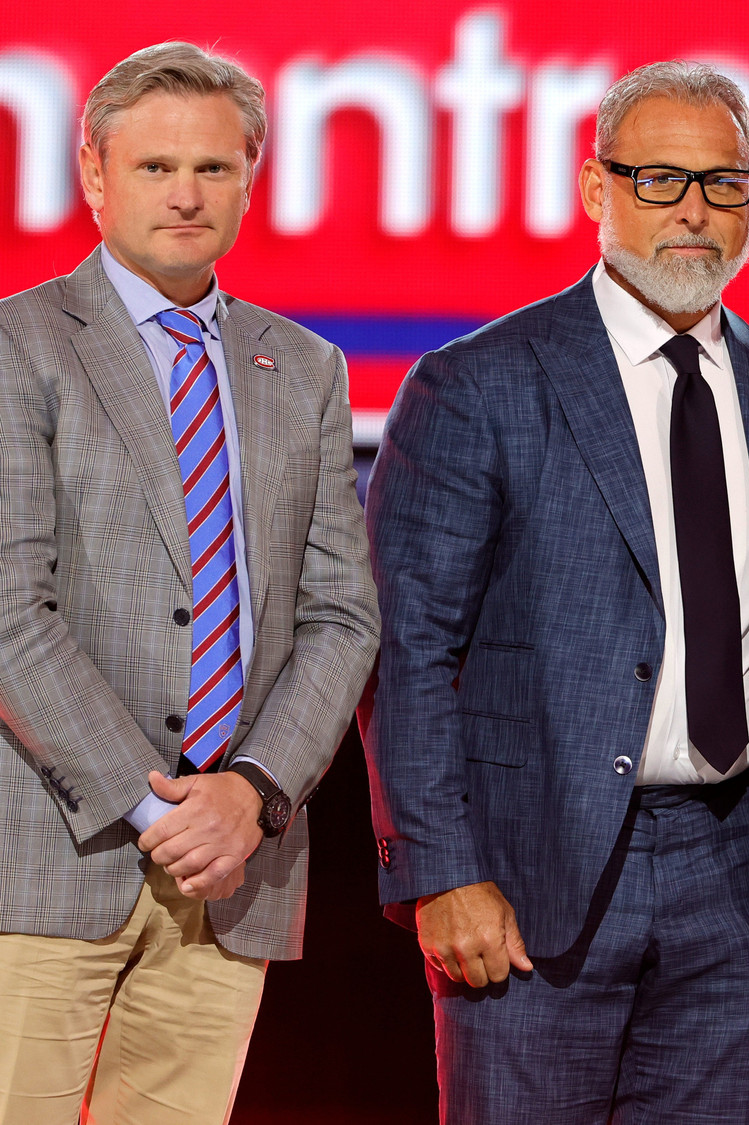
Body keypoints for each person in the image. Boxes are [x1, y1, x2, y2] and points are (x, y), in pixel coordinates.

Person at [364, 61, 749, 1125]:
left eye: (724, 185)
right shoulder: (477, 383)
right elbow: (408, 653)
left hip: (743, 868)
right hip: (532, 877)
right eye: (661, 179)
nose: (694, 212)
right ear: (595, 191)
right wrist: (440, 869)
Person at [0, 43, 378, 1124]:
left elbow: (342, 615)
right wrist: (153, 805)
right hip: (45, 855)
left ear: (251, 179)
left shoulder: (302, 366)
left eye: (214, 169)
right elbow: (7, 610)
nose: (186, 193)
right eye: (157, 166)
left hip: (234, 874)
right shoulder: (16, 343)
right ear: (93, 173)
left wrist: (252, 795)